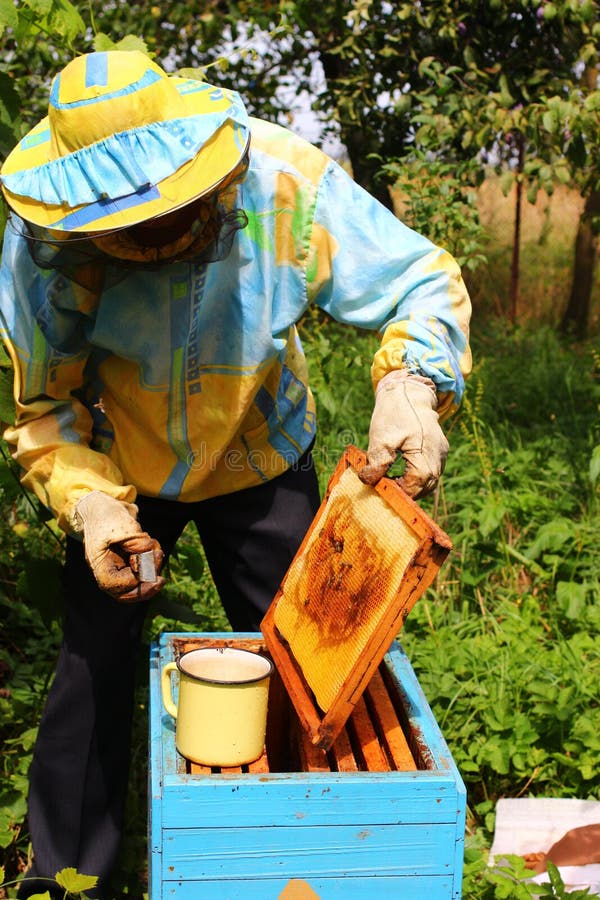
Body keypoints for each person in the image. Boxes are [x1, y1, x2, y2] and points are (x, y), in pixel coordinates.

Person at [0, 50, 471, 898]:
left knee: (312, 667)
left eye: (167, 215)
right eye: (127, 230)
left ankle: (314, 863)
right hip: (121, 470)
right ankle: (68, 878)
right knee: (92, 664)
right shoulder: (44, 243)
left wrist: (411, 385)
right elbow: (41, 405)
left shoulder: (285, 183)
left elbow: (420, 280)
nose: (151, 240)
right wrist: (92, 507)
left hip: (260, 453)